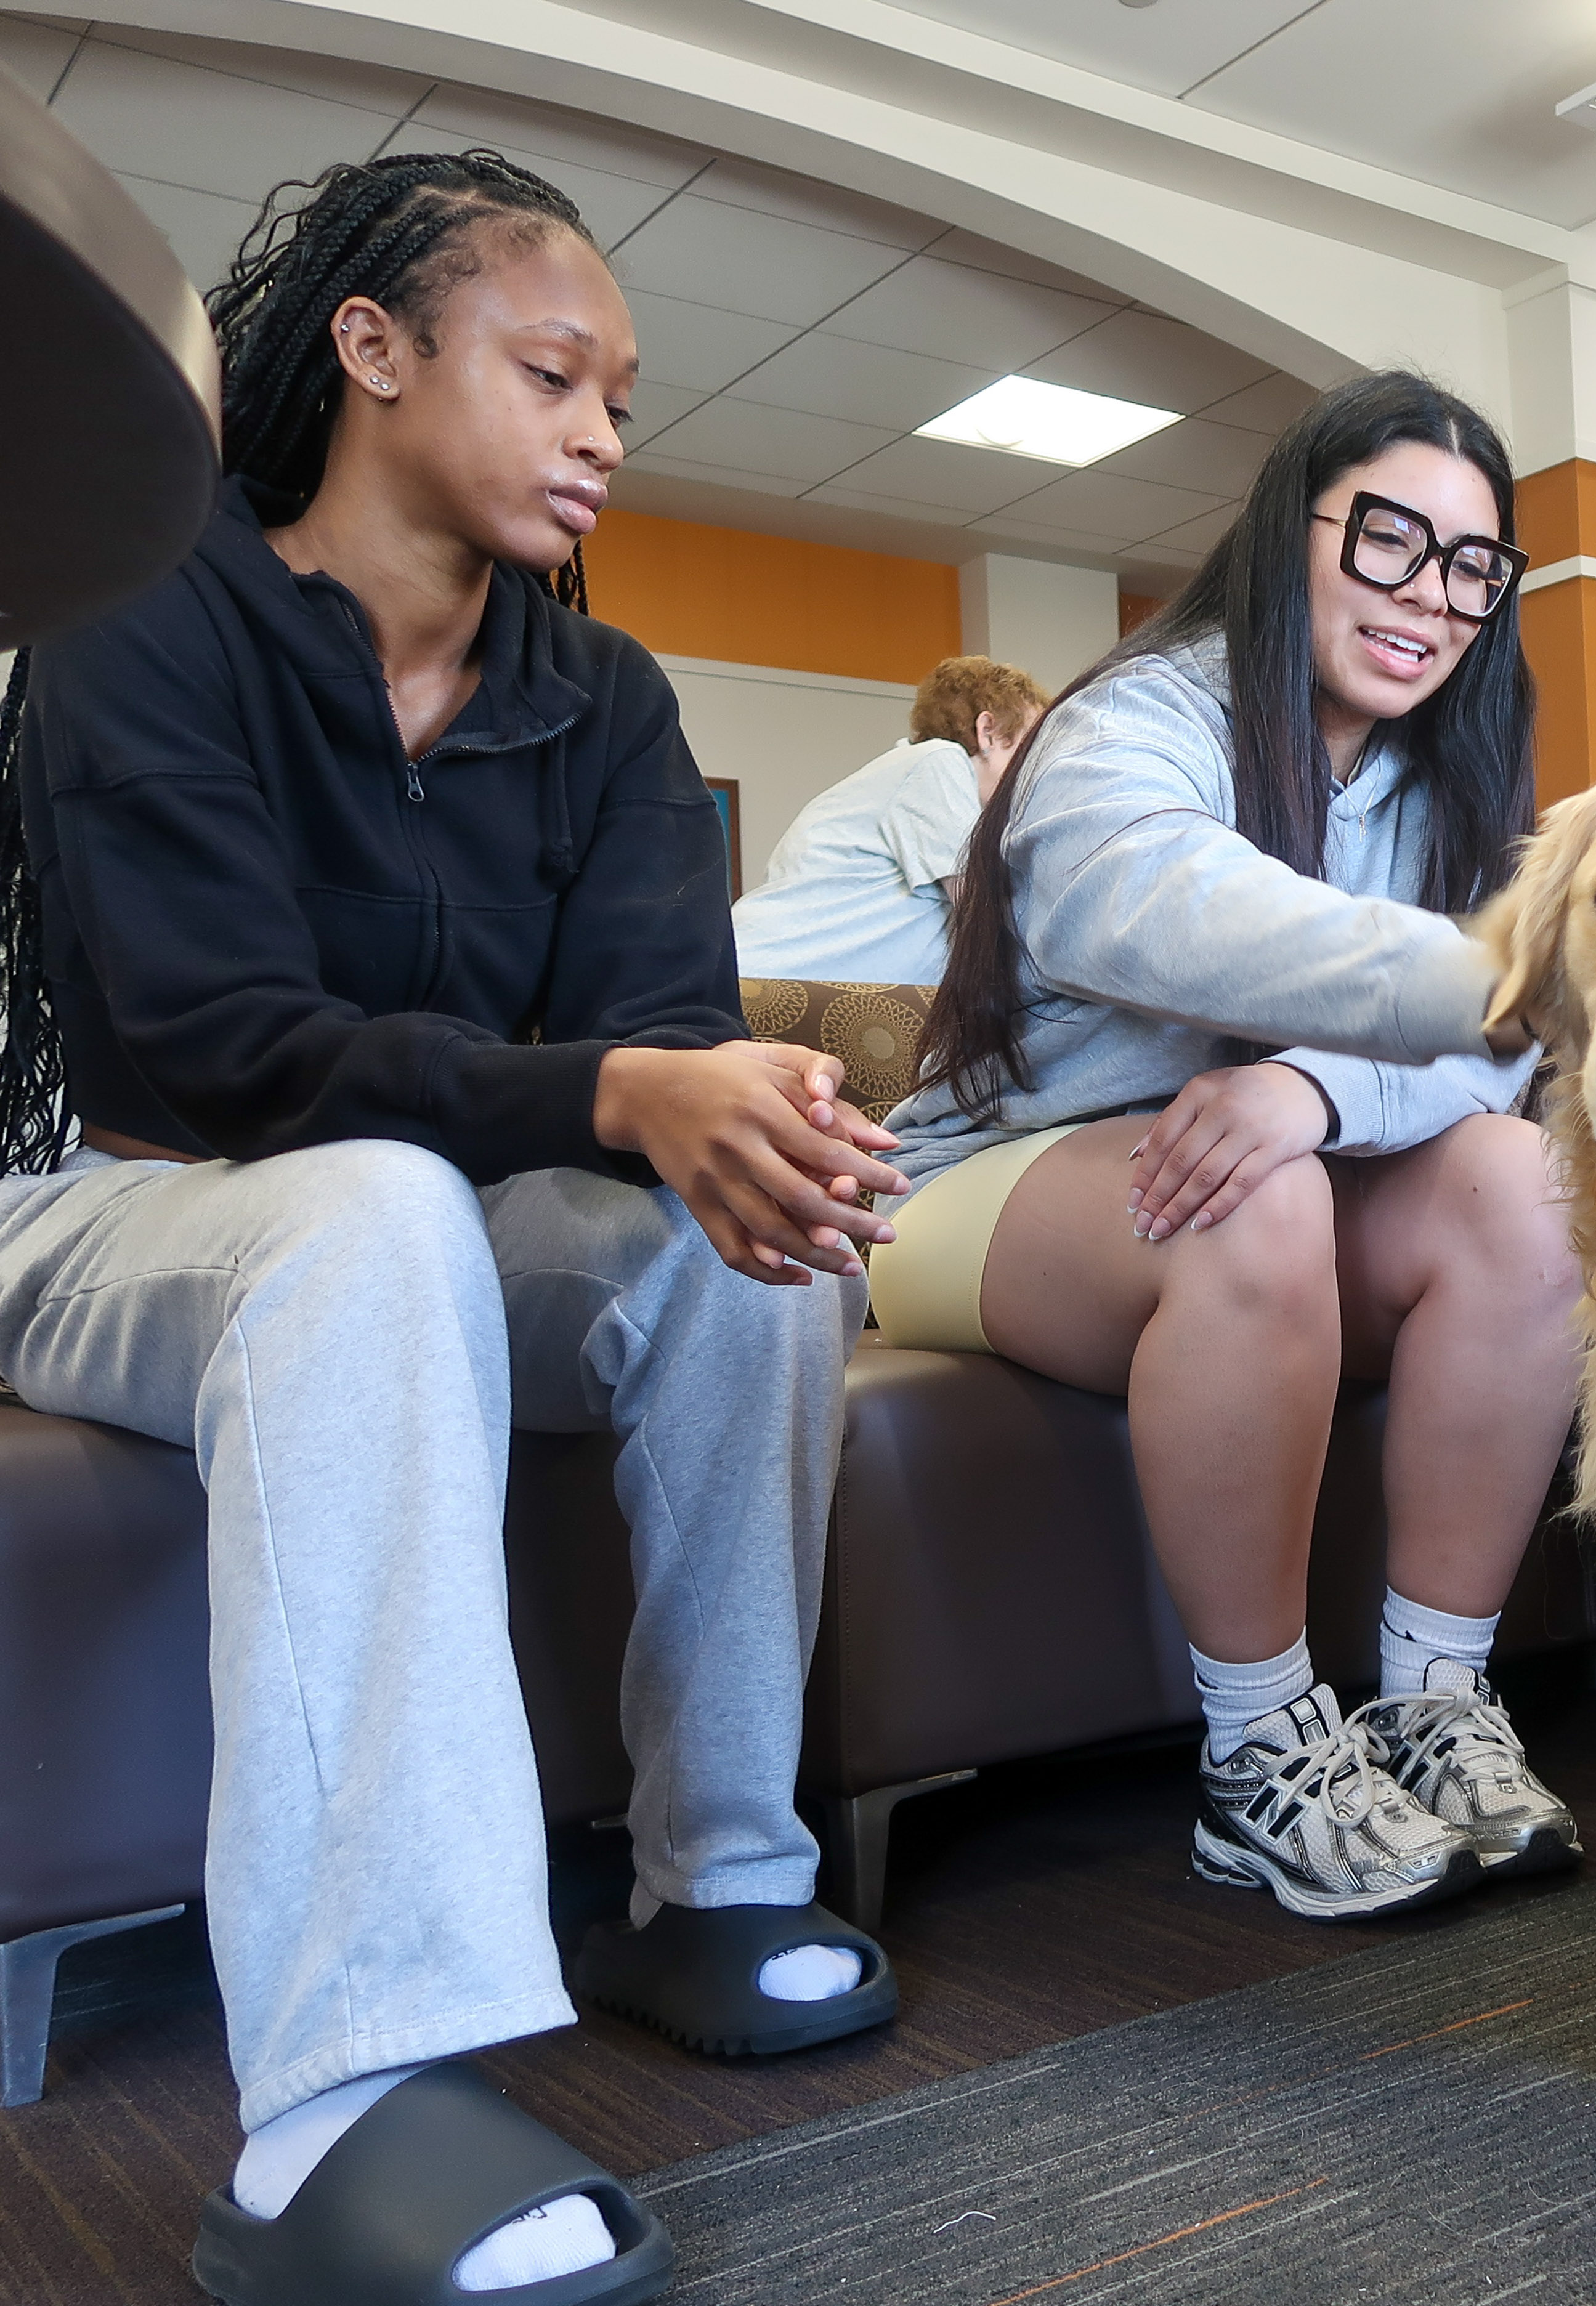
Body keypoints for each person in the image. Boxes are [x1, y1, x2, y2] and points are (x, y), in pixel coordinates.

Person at [0, 152, 913, 2303]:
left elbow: (657, 1045)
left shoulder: (603, 705)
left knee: (745, 1243)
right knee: (374, 1206)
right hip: (100, 1204)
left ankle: (723, 1876)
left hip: (404, 1214)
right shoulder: (142, 606)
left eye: (626, 395)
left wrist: (737, 1115)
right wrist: (607, 1089)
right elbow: (214, 1047)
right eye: (557, 372)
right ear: (376, 349)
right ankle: (340, 2109)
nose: (607, 428)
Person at [873, 371, 1584, 1922]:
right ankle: (1258, 1751)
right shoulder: (1139, 718)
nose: (1431, 597)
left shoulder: (1441, 773)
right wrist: (1496, 984)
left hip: (1255, 1167)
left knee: (1526, 1194)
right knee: (1250, 1205)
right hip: (985, 1184)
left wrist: (1315, 1092)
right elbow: (1163, 906)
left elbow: (1489, 1077)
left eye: (1472, 566)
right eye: (1389, 539)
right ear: (1292, 528)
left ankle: (1429, 1703)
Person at [730, 653, 1049, 984]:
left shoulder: (911, 776)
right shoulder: (938, 761)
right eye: (1032, 747)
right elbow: (982, 912)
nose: (1038, 769)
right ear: (988, 732)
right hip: (763, 983)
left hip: (783, 986)